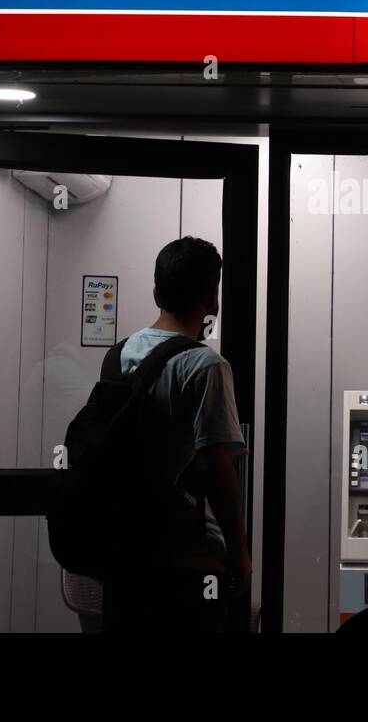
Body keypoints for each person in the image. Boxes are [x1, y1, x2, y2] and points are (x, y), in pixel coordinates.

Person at [101, 236, 250, 632]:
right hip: (187, 562)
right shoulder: (205, 365)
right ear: (212, 298)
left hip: (123, 555)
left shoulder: (117, 356)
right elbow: (217, 468)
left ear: (156, 292)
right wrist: (239, 553)